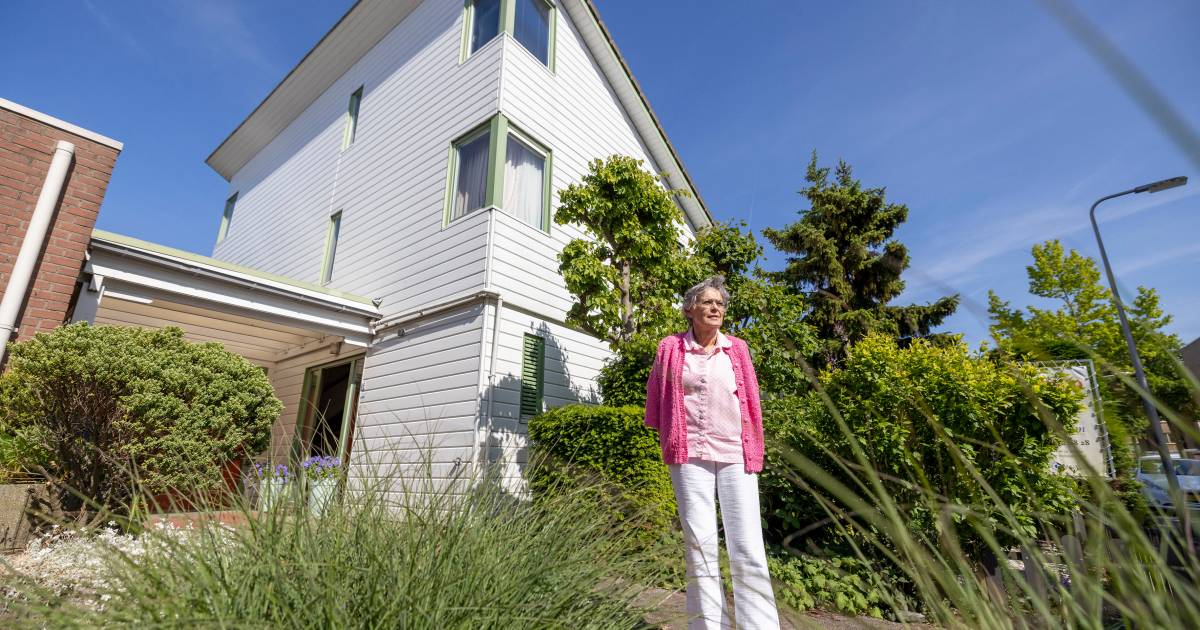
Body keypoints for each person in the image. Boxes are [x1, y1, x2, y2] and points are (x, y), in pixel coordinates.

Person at [645, 275, 780, 629]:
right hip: (689, 455)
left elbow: (751, 401)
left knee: (748, 546)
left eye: (720, 303)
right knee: (700, 547)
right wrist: (669, 433)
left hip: (736, 452)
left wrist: (756, 444)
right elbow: (656, 395)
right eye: (708, 302)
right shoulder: (670, 347)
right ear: (690, 309)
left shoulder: (738, 348)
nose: (716, 307)